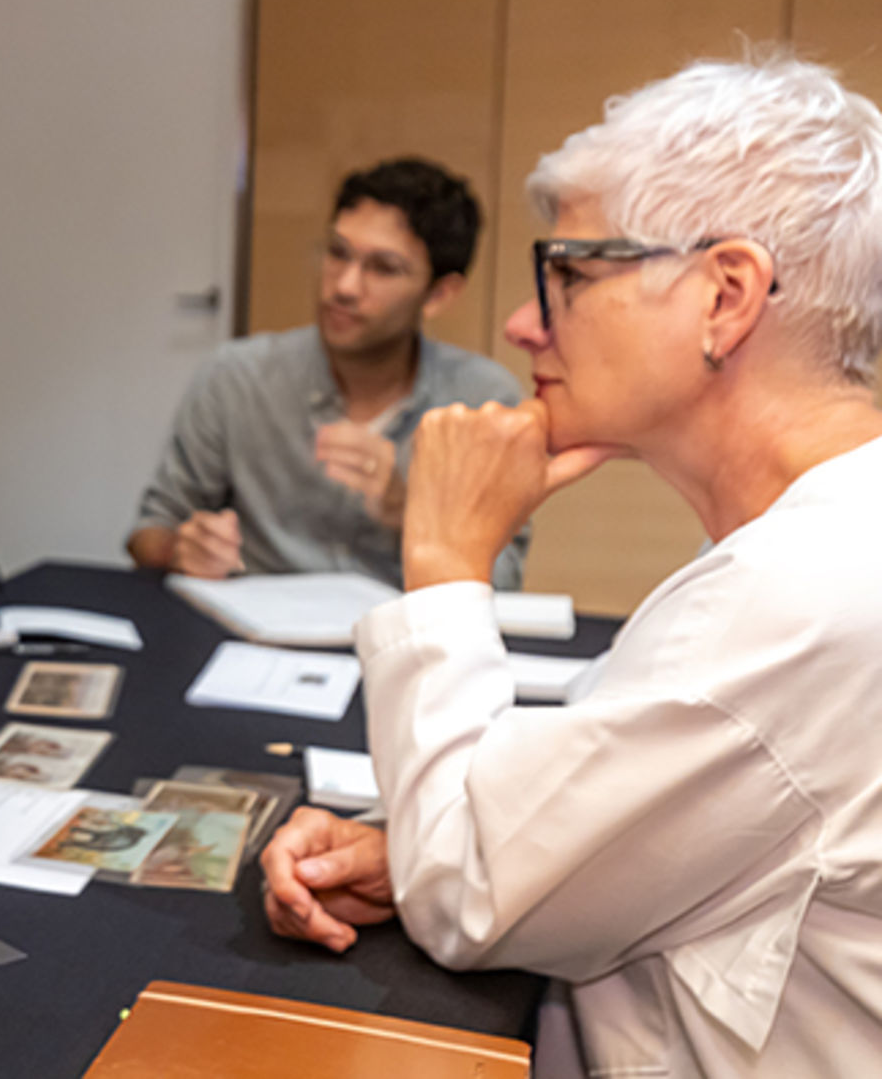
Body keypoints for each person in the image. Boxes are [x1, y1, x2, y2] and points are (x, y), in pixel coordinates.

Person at [259, 57, 882, 1077]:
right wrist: (415, 845)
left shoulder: (798, 595)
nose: (521, 322)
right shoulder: (814, 544)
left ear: (724, 297)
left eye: (569, 274)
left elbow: (468, 895)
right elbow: (636, 821)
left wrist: (444, 561)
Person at [128, 158, 529, 589]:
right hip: (253, 637)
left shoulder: (484, 402)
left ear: (439, 294)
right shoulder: (237, 377)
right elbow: (150, 531)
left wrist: (411, 513)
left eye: (383, 268)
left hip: (406, 644)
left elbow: (503, 581)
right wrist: (183, 551)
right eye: (338, 254)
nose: (344, 286)